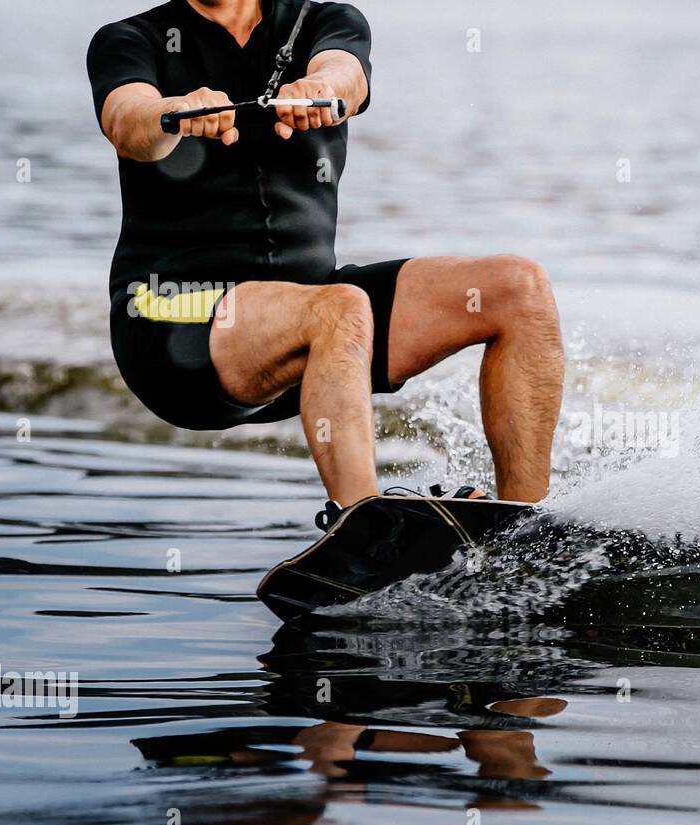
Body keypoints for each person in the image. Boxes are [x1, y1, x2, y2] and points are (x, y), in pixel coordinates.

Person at [86, 0, 563, 523]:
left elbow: (345, 74)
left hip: (316, 326)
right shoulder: (131, 39)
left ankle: (523, 528)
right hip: (173, 322)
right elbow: (127, 121)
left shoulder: (323, 20)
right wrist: (174, 114)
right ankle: (362, 524)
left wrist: (322, 90)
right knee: (340, 309)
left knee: (518, 287)